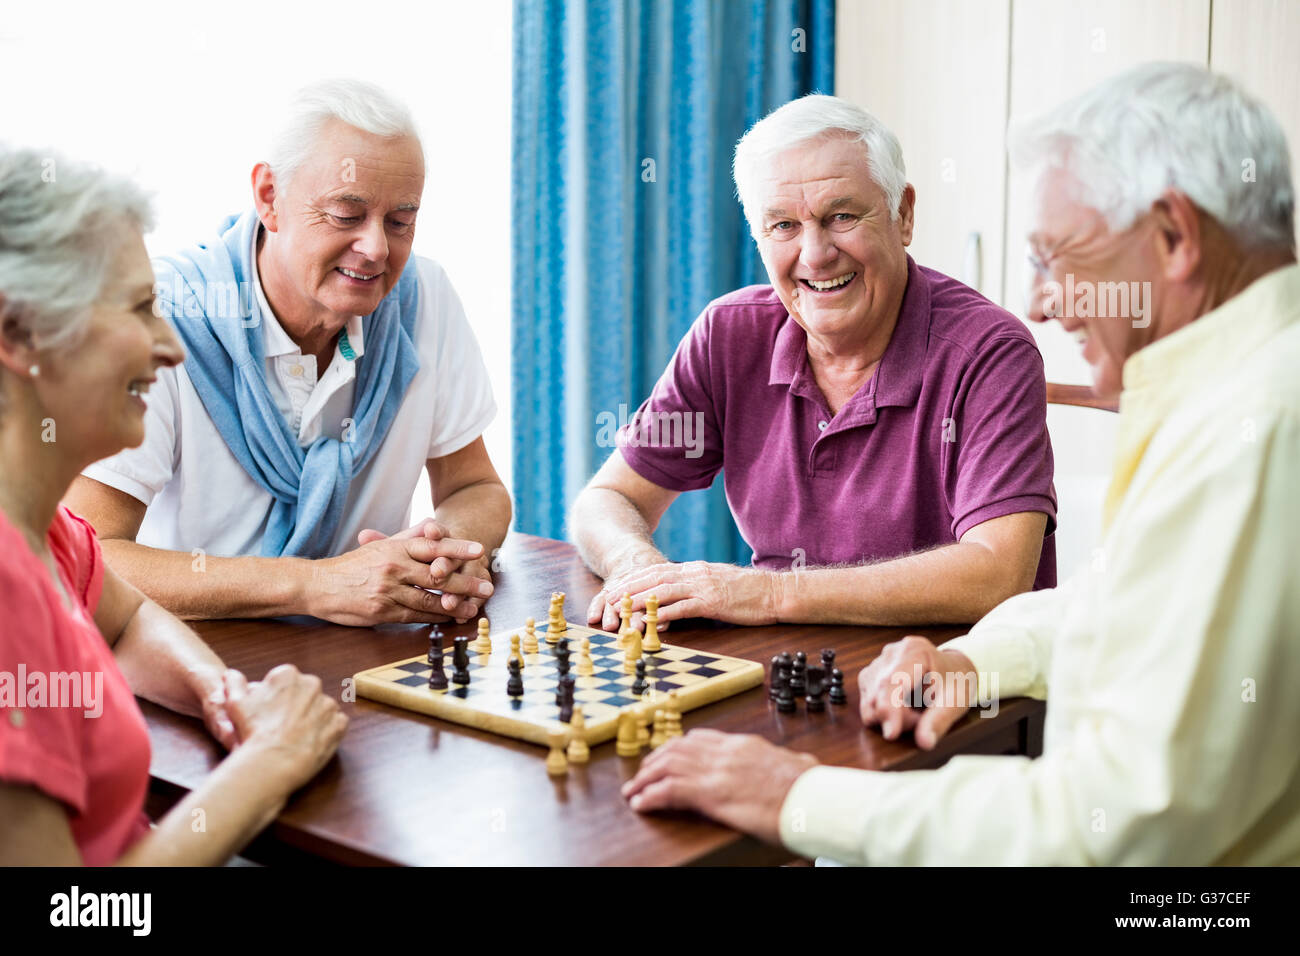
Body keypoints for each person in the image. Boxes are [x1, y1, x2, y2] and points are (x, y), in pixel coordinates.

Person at [622, 63, 1300, 865]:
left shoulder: (1257, 428)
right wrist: (974, 659)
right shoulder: (1233, 389)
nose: (1040, 300)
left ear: (1175, 237)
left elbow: (1121, 822)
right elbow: (1116, 604)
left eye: (1056, 256)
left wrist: (798, 797)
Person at [570, 94, 1056, 634]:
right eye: (783, 225)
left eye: (842, 216)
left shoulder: (991, 352)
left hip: (945, 682)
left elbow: (998, 573)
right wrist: (639, 570)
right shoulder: (728, 334)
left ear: (903, 216)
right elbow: (608, 499)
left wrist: (767, 592)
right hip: (784, 670)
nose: (816, 253)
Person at [0, 148, 347, 865]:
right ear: (18, 335)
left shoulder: (49, 532)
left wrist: (220, 693)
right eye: (139, 309)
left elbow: (127, 621)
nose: (171, 347)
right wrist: (270, 760)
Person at [64, 79, 510, 627]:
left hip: (361, 661)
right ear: (269, 198)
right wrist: (315, 585)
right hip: (193, 667)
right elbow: (85, 557)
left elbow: (476, 486)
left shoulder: (425, 298)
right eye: (347, 215)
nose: (375, 249)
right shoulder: (155, 318)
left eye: (400, 221)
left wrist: (441, 557)